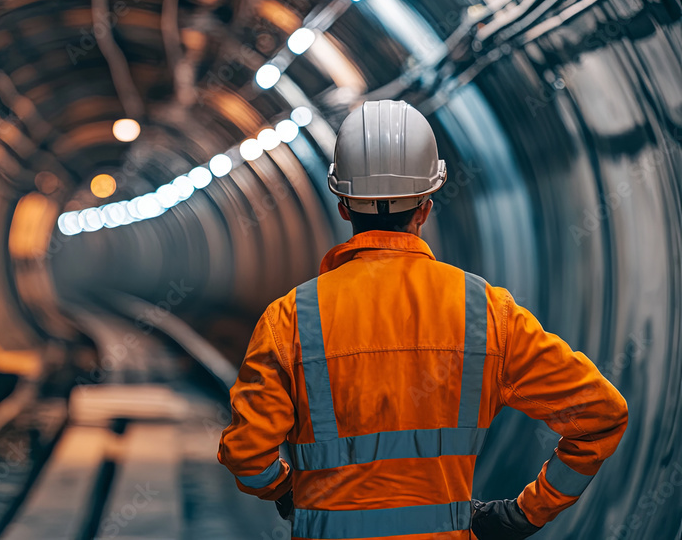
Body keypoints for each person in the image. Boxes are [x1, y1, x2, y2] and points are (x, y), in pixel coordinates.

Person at [217, 100, 628, 539]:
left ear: (342, 205)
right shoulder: (485, 312)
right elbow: (601, 414)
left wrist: (285, 490)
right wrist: (523, 514)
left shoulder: (290, 319)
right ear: (426, 208)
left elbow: (247, 453)